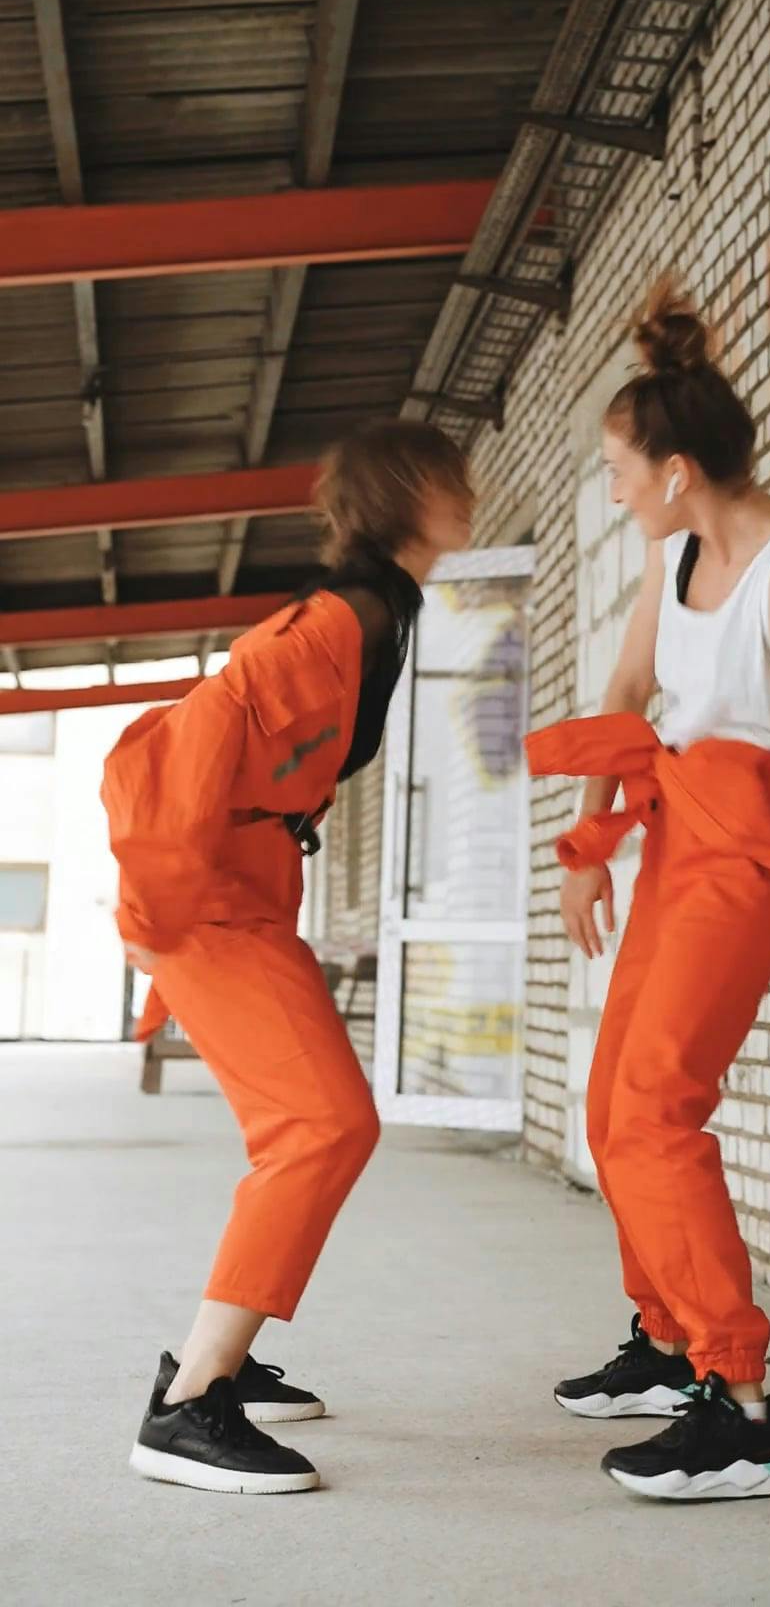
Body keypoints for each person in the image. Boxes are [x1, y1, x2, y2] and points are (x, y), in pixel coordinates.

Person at [525, 275, 770, 1502]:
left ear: (676, 471)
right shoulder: (671, 558)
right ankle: (671, 1343)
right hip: (676, 841)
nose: (614, 492)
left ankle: (745, 1409)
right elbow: (626, 699)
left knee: (655, 1109)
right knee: (611, 1108)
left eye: (621, 472)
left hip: (753, 860)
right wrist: (587, 847)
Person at [102, 422, 474, 1495]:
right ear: (411, 495)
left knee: (302, 1125)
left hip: (246, 888)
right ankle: (189, 1406)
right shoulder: (336, 621)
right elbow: (194, 735)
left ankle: (218, 1356)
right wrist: (156, 909)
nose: (471, 494)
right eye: (453, 479)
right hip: (209, 897)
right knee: (323, 1125)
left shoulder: (378, 610)